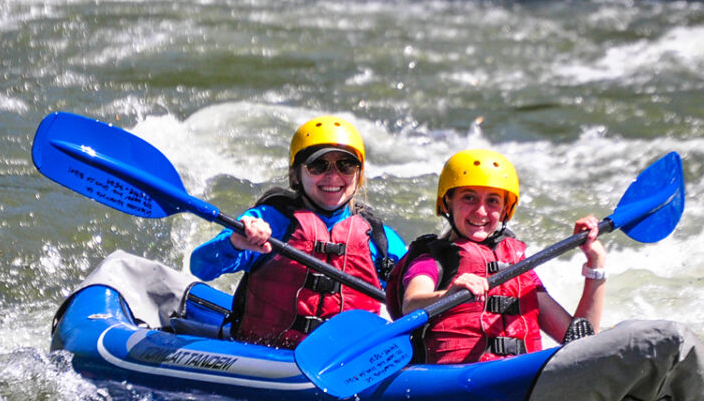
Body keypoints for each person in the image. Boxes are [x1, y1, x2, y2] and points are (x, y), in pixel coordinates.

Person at [190, 115, 406, 349]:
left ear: (359, 175)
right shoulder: (269, 222)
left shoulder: (380, 239)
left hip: (346, 361)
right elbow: (200, 267)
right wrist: (235, 243)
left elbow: (411, 301)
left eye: (346, 165)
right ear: (296, 174)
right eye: (318, 165)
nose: (333, 177)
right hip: (266, 353)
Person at [384, 148, 606, 365]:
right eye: (469, 198)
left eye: (492, 201)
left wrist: (595, 264)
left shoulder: (517, 266)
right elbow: (411, 304)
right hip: (455, 380)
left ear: (504, 210)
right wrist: (449, 295)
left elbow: (579, 339)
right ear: (447, 202)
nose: (481, 211)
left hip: (515, 377)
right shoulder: (433, 257)